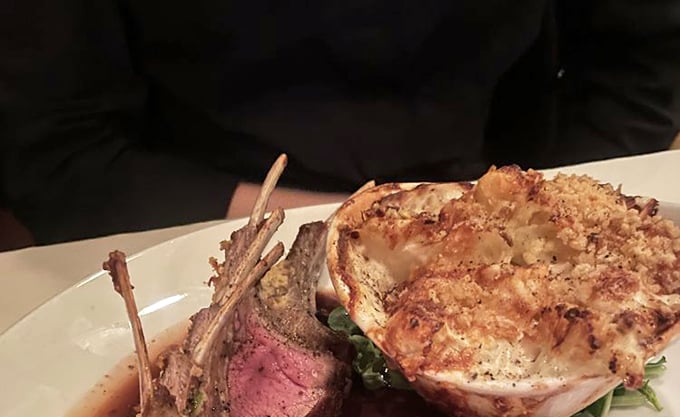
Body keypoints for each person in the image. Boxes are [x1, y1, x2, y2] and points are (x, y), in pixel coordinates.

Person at [1, 1, 679, 245]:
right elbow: (58, 154)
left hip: (503, 208)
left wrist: (548, 228)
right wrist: (360, 234)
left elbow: (640, 65)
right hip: (208, 226)